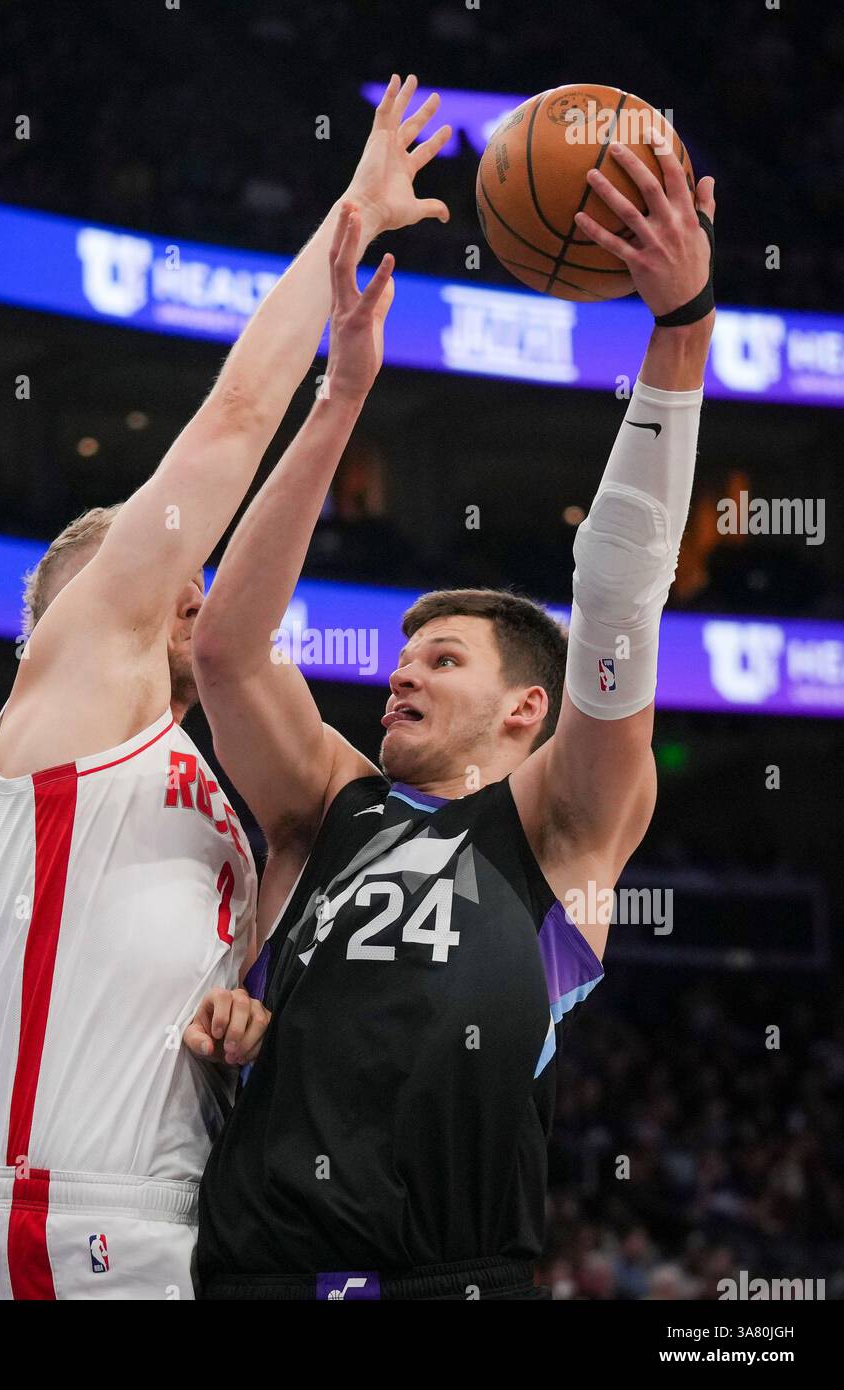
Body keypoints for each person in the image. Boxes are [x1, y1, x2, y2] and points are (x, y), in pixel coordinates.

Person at [186, 141, 717, 1299]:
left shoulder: (562, 828)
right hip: (249, 1275)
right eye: (397, 658)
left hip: (449, 1277)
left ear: (528, 706)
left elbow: (619, 587)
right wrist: (340, 398)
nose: (398, 678)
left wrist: (679, 326)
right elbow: (225, 646)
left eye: (440, 658)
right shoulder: (328, 805)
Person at [0, 75, 451, 1301]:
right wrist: (351, 214)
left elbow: (188, 1017)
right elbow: (234, 417)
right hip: (66, 1222)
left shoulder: (216, 803)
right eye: (146, 564)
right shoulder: (67, 699)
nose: (187, 581)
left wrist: (236, 1020)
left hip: (189, 1220)